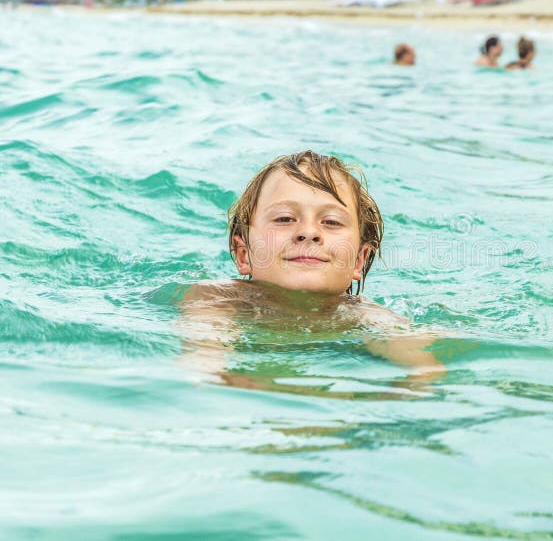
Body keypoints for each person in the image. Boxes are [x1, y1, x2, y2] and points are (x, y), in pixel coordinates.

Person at [176, 151, 445, 389]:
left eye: (331, 221)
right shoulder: (214, 300)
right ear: (243, 254)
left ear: (358, 261)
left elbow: (426, 375)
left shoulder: (371, 319)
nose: (308, 232)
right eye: (284, 219)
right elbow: (201, 366)